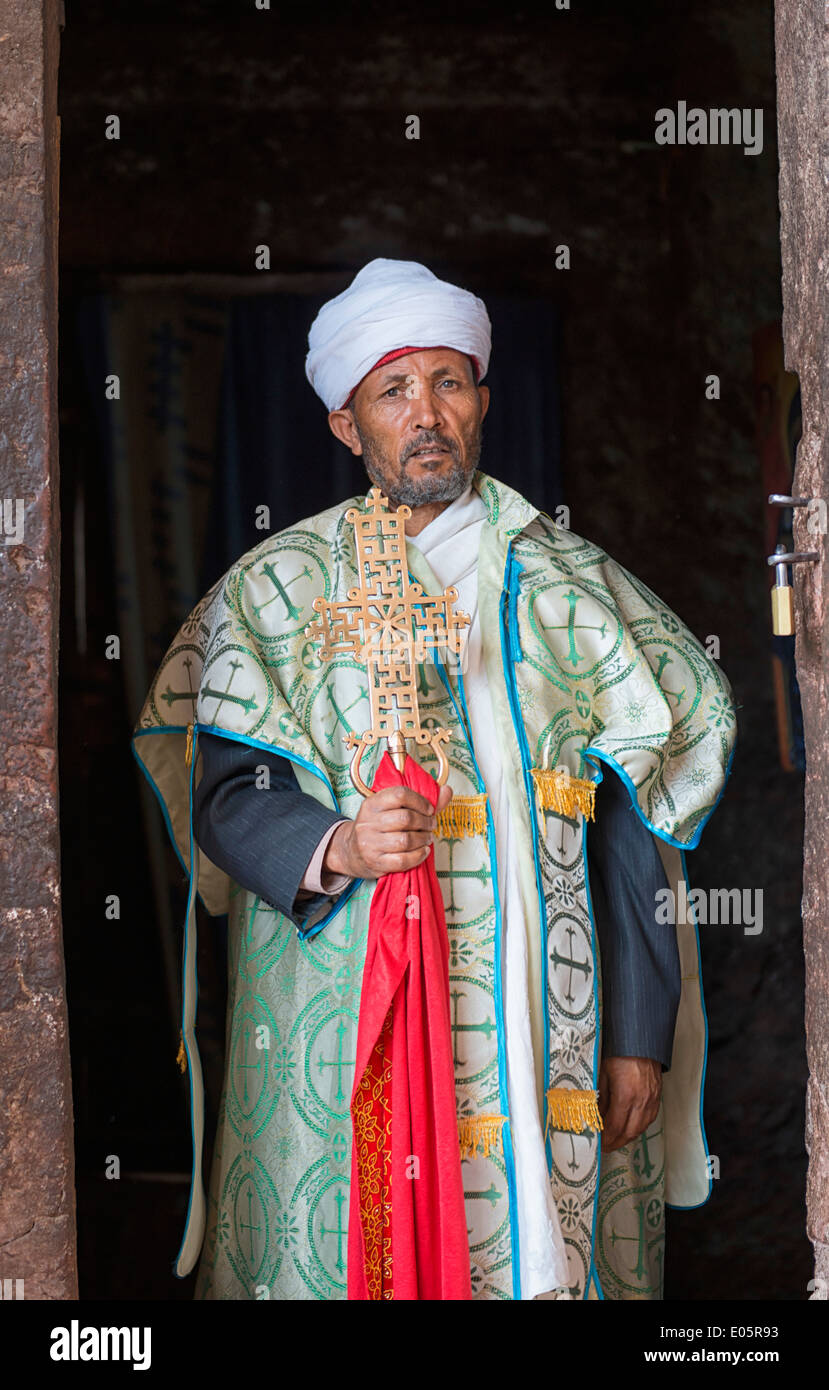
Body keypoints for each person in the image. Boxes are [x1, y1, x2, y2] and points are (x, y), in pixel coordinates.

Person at [132, 258, 736, 1301]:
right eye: (392, 389)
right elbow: (222, 796)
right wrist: (339, 845)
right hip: (352, 1009)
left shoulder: (575, 584)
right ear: (343, 422)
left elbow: (634, 825)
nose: (425, 413)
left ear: (483, 400)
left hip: (555, 1021)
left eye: (448, 382)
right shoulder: (276, 591)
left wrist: (638, 1034)